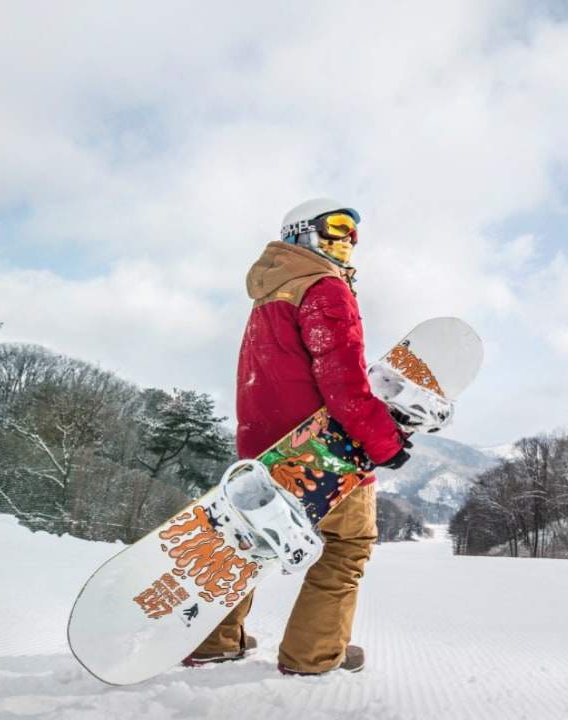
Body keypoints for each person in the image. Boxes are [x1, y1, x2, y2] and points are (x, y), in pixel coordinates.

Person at [181, 197, 411, 675]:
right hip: (323, 450)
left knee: (248, 542)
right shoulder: (324, 287)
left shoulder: (271, 293)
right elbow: (344, 384)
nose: (347, 239)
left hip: (265, 449)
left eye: (353, 233)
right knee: (348, 547)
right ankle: (314, 654)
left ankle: (215, 640)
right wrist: (383, 441)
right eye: (337, 227)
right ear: (301, 233)